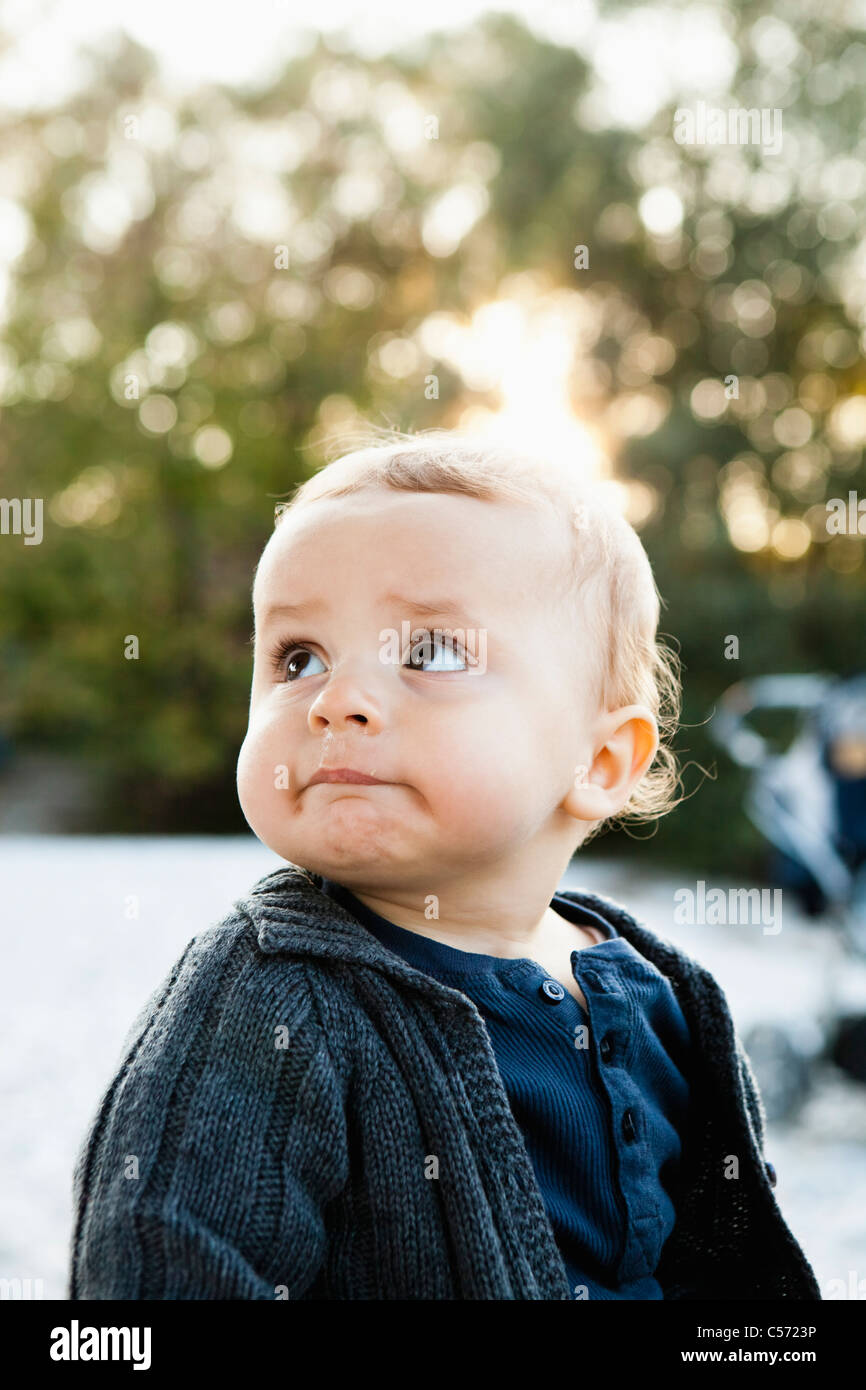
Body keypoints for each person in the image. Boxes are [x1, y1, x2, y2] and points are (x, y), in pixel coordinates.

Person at [68, 427, 820, 1300]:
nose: (338, 701)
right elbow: (159, 1268)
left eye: (430, 652)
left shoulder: (664, 997)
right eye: (298, 658)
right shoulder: (266, 997)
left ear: (601, 762)